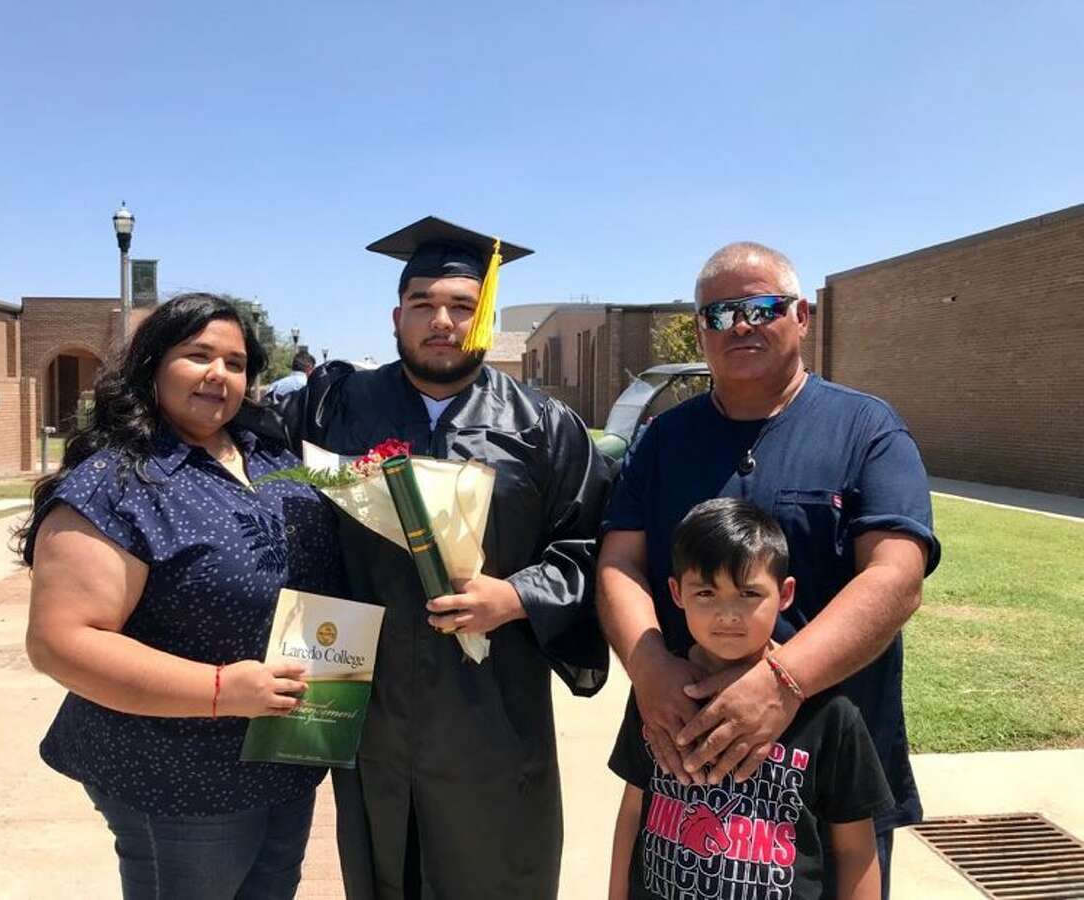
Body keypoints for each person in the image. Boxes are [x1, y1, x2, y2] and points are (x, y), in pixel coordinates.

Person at [239, 215, 613, 899]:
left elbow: (596, 549)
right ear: (396, 317)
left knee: (494, 870)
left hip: (491, 715)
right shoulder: (335, 405)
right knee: (386, 871)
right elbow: (242, 463)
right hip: (368, 704)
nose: (441, 321)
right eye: (423, 306)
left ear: (486, 319)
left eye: (462, 307)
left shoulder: (542, 426)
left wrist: (520, 596)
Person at [597, 242, 940, 897]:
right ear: (701, 330)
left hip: (821, 786)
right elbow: (620, 561)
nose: (741, 325)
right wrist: (649, 667)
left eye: (761, 307)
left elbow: (896, 578)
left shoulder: (867, 428)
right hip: (685, 780)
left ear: (802, 315)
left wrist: (785, 680)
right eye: (720, 314)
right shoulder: (666, 438)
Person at [17, 293, 344, 900]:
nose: (219, 375)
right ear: (153, 365)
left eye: (236, 363)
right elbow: (61, 642)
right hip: (177, 773)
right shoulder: (118, 483)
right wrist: (221, 690)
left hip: (284, 755)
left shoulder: (271, 457)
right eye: (198, 356)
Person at [609, 498, 893, 900]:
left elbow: (854, 848)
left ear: (785, 593)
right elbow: (634, 812)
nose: (728, 613)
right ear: (676, 593)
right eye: (706, 592)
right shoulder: (659, 696)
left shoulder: (829, 716)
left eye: (748, 593)